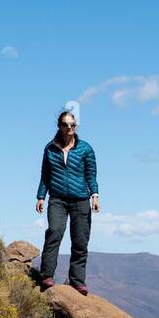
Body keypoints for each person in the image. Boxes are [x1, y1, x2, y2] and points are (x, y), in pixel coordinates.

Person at [35, 109, 99, 295]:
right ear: (59, 126)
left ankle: (77, 281)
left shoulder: (85, 148)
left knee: (80, 240)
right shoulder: (50, 148)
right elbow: (45, 175)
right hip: (58, 199)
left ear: (76, 126)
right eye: (65, 124)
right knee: (54, 232)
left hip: (81, 199)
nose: (69, 127)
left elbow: (91, 174)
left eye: (72, 124)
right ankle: (46, 275)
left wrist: (95, 195)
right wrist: (40, 196)